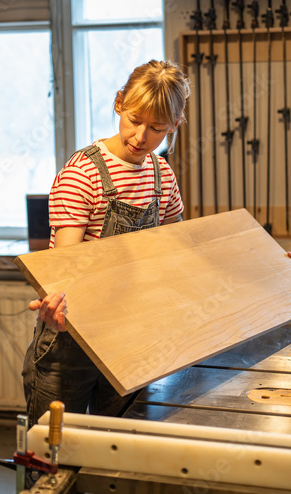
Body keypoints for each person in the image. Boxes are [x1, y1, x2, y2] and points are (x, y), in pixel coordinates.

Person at [21, 59, 190, 422]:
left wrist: (262, 266)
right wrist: (57, 303)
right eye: (133, 120)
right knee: (52, 456)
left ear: (174, 126)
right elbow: (64, 269)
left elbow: (182, 251)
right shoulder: (83, 174)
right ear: (118, 104)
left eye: (156, 128)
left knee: (114, 456)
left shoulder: (162, 174)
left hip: (131, 338)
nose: (140, 137)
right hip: (72, 341)